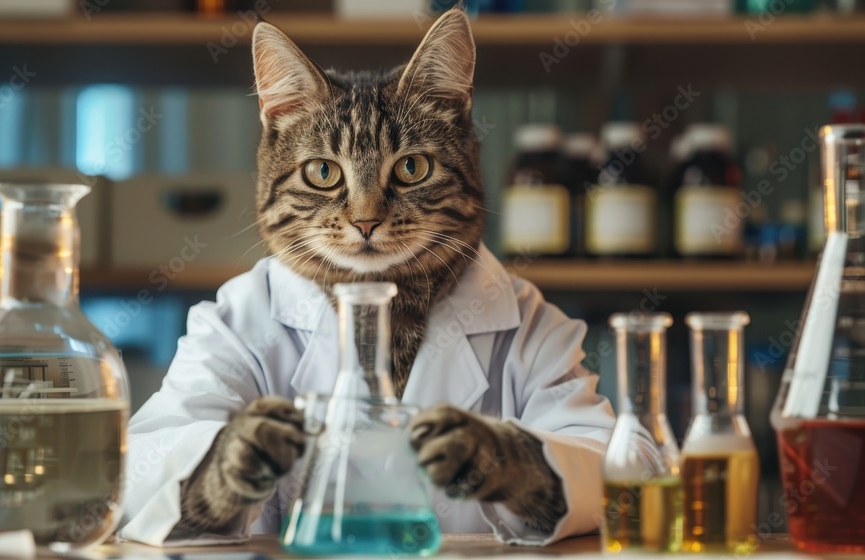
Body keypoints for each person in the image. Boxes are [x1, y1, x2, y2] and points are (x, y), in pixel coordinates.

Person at [120, 8, 615, 547]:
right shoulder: (241, 321)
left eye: (410, 170)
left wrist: (509, 465)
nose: (365, 213)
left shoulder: (525, 323)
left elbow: (608, 470)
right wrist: (222, 474)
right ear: (274, 129)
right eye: (323, 173)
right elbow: (138, 475)